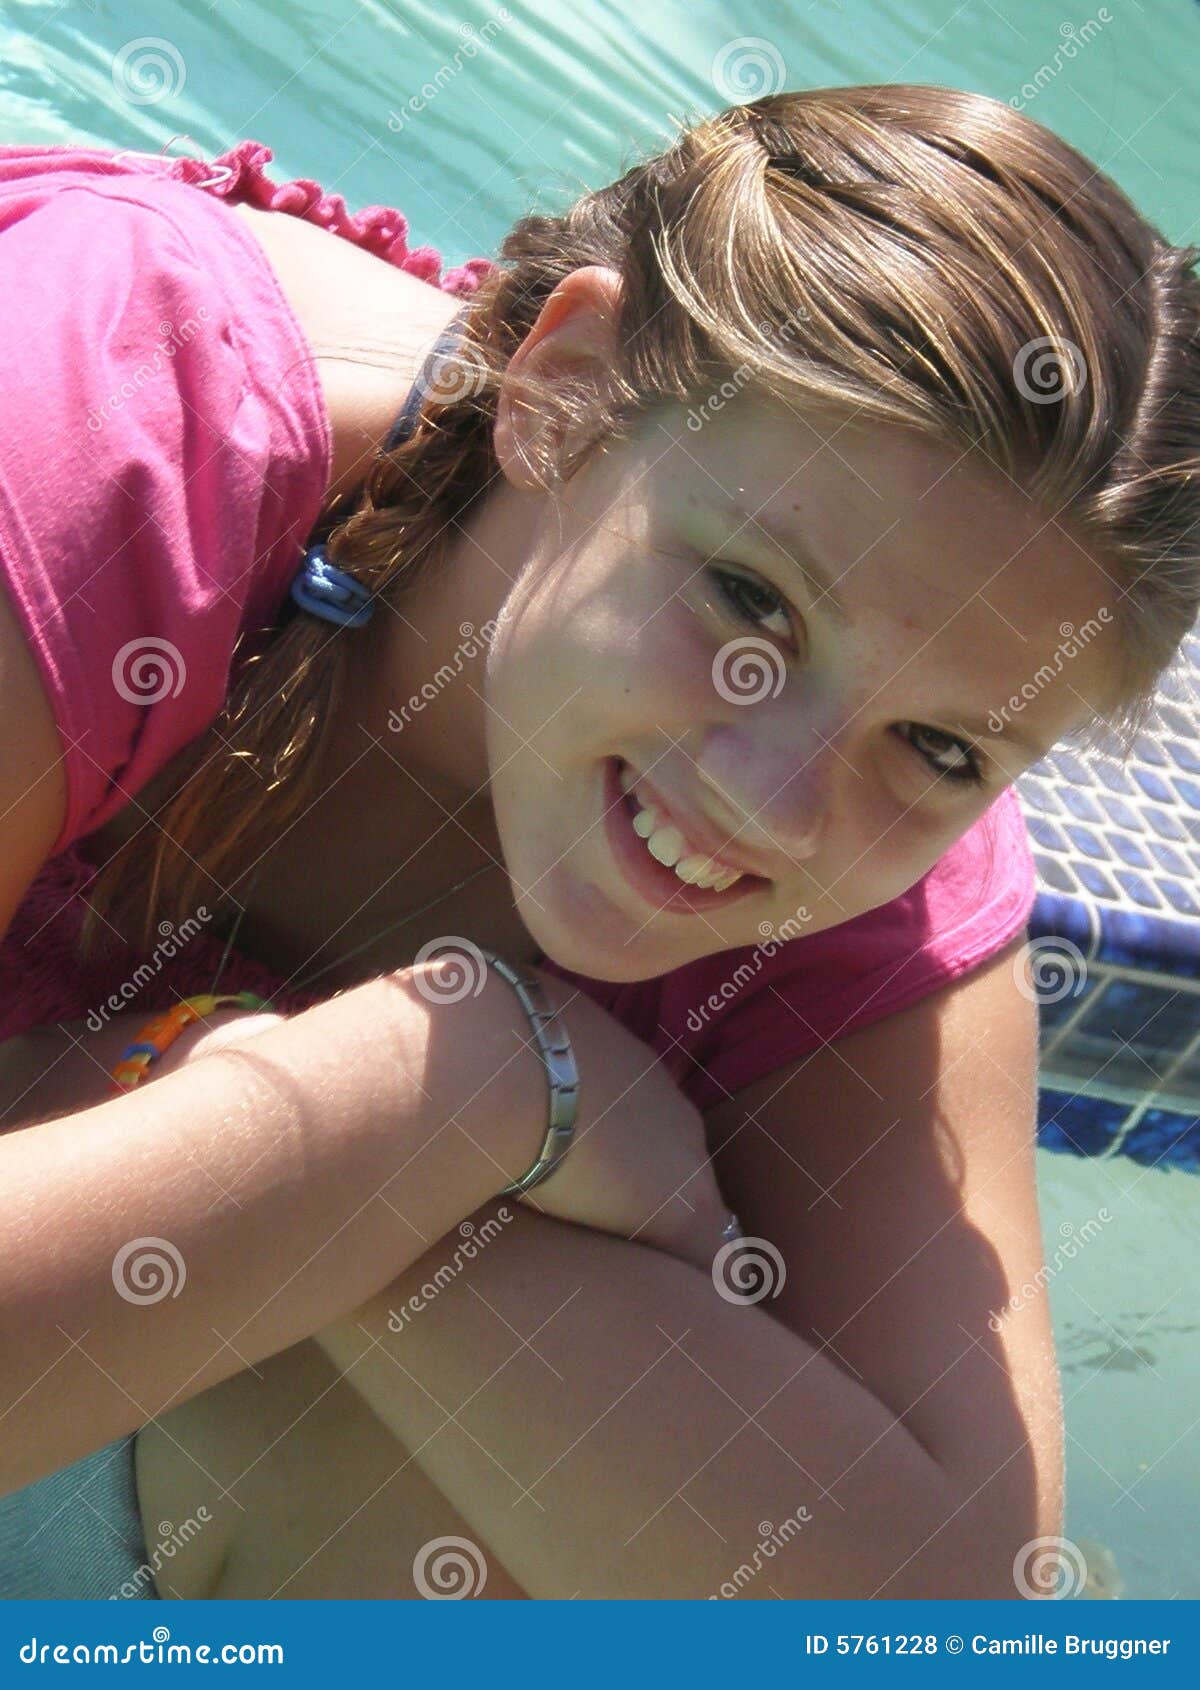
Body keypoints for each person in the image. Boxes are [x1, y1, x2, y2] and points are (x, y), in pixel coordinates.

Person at [0, 83, 1197, 1600]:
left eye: (949, 747)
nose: (776, 801)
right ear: (562, 388)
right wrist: (445, 1087)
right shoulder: (115, 414)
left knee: (492, 1492)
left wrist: (348, 1163)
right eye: (753, 602)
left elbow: (943, 1615)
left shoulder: (888, 869)